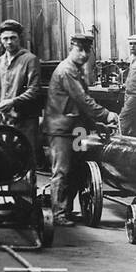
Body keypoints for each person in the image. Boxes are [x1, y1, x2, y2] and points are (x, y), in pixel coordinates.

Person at [45, 33, 119, 223]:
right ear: (71, 49)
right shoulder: (67, 70)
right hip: (61, 130)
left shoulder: (77, 70)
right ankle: (59, 214)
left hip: (77, 130)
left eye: (87, 50)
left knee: (77, 169)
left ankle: (67, 209)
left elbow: (80, 107)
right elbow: (83, 100)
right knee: (62, 171)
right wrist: (106, 115)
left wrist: (97, 125)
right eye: (80, 50)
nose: (84, 54)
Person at [0, 19, 44, 157]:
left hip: (26, 120)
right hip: (5, 120)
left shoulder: (30, 60)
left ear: (19, 39)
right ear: (1, 41)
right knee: (7, 159)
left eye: (13, 38)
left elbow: (34, 90)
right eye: (5, 39)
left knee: (26, 159)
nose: (9, 42)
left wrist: (12, 102)